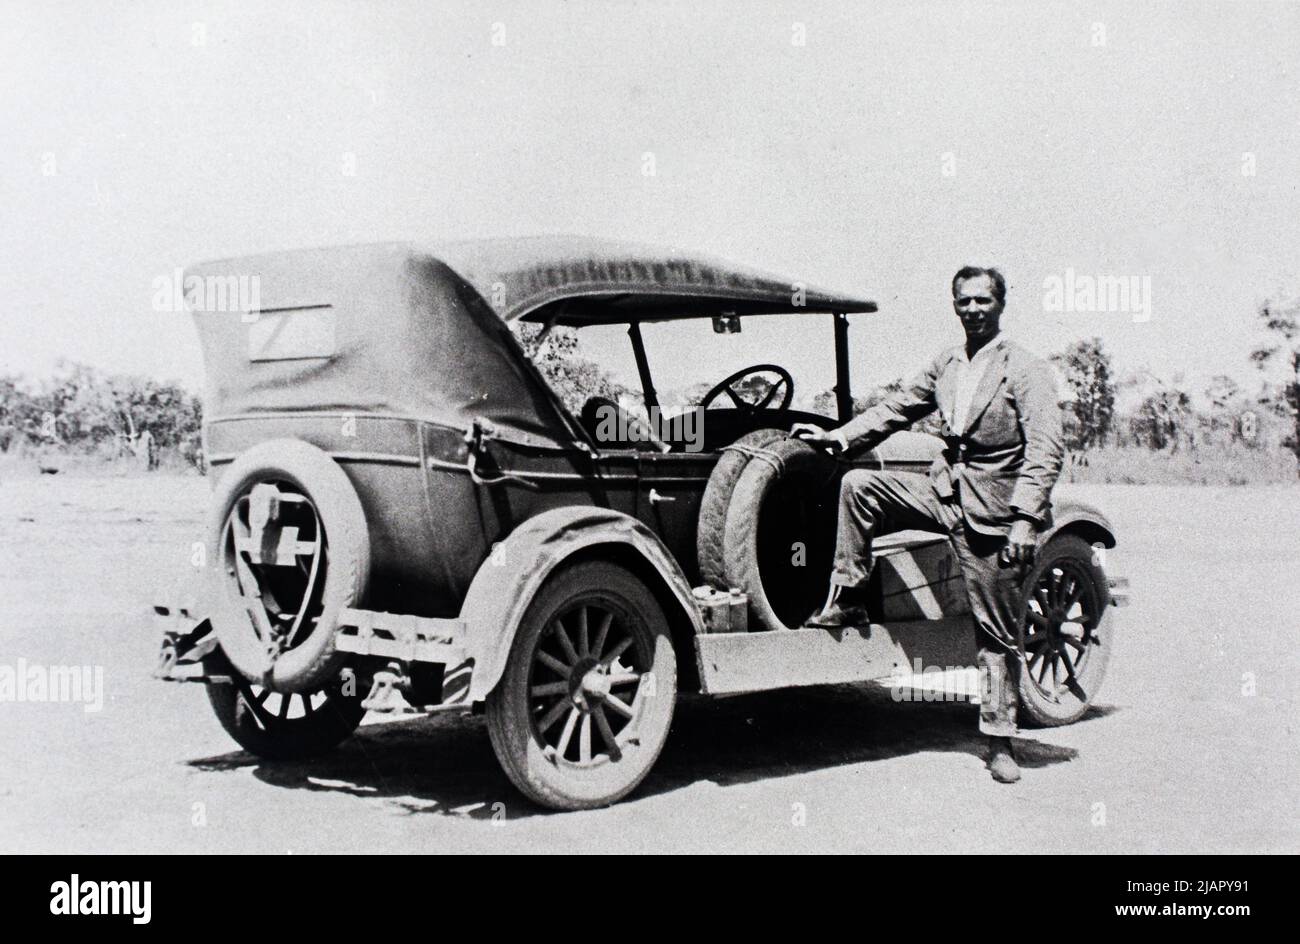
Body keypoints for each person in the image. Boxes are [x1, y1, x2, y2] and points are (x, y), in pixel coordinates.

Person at [792, 266, 1064, 783]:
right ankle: (849, 597)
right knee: (859, 486)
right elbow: (897, 407)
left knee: (996, 631)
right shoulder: (948, 362)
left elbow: (1046, 450)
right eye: (964, 301)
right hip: (945, 493)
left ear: (1001, 304)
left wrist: (1025, 521)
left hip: (996, 513)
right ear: (954, 305)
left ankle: (999, 741)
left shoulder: (1025, 369)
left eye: (983, 300)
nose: (973, 310)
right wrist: (839, 439)